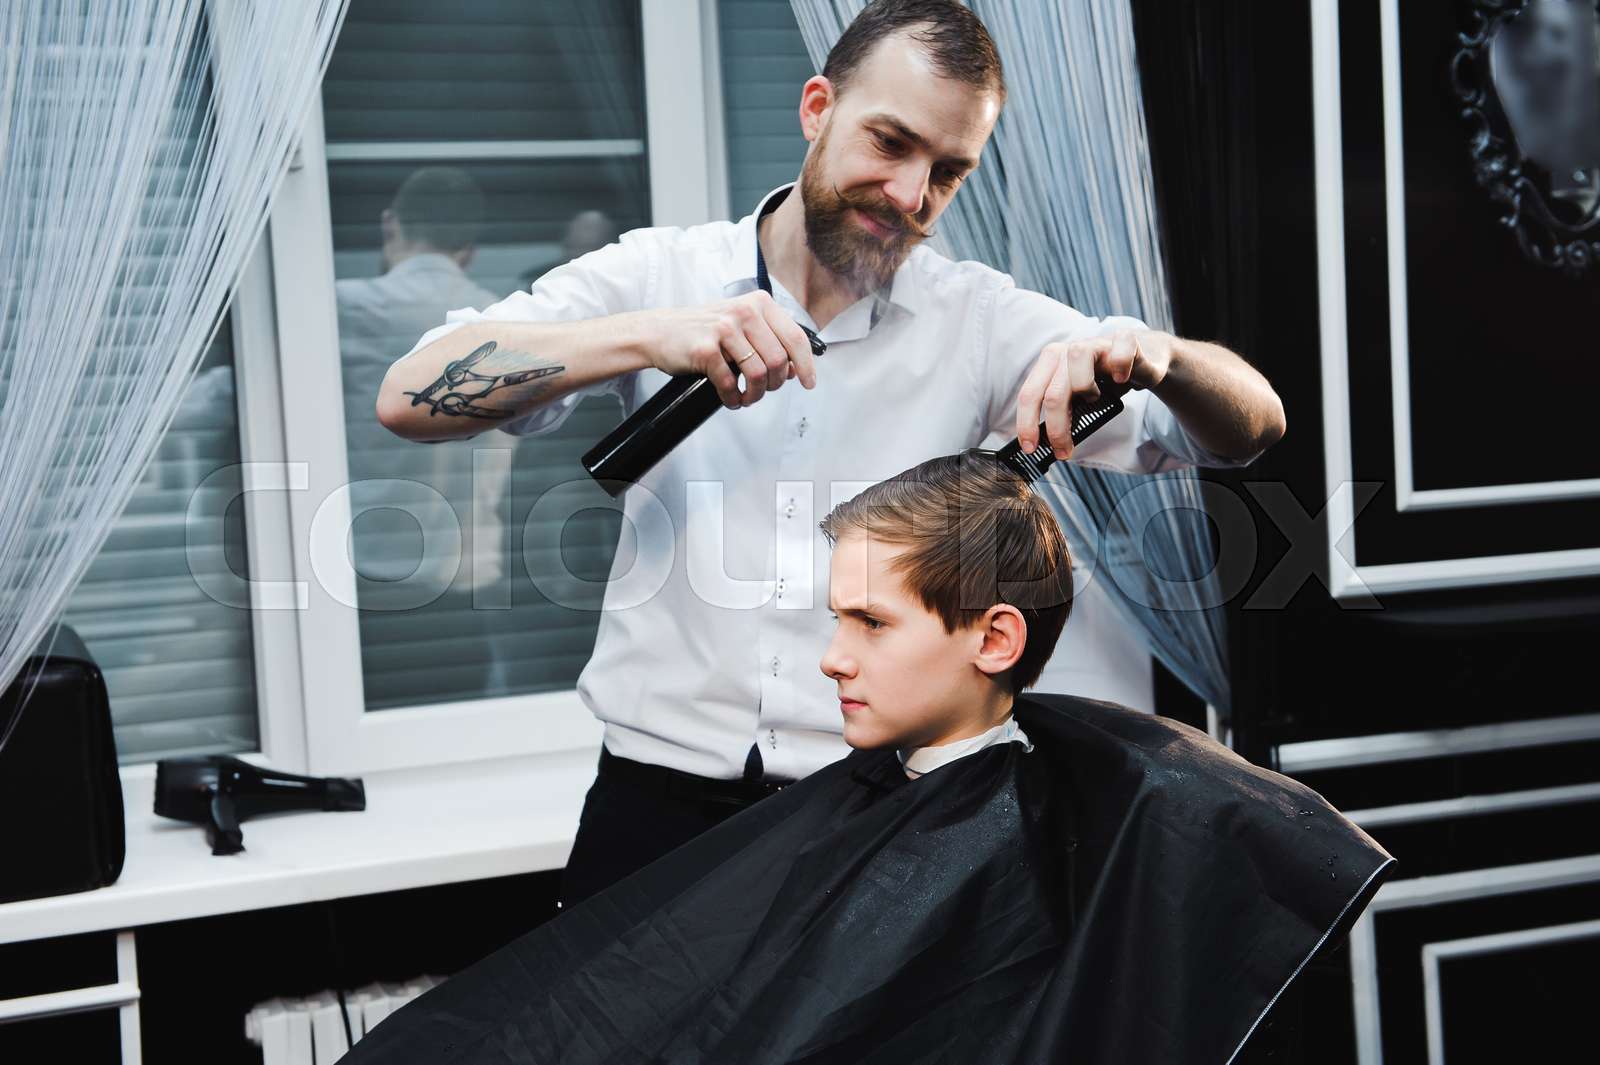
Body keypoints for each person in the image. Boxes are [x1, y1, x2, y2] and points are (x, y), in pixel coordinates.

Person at [376, 0, 1288, 905]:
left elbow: (1249, 431)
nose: (909, 196)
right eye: (889, 143)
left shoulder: (978, 321)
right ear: (819, 108)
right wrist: (650, 338)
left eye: (947, 172)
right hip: (648, 817)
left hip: (873, 824)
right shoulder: (658, 275)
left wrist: (1159, 357)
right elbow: (410, 396)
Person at [336, 453, 1392, 1065]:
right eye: (834, 619)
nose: (833, 658)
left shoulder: (997, 855)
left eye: (870, 624)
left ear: (992, 640)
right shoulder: (885, 798)